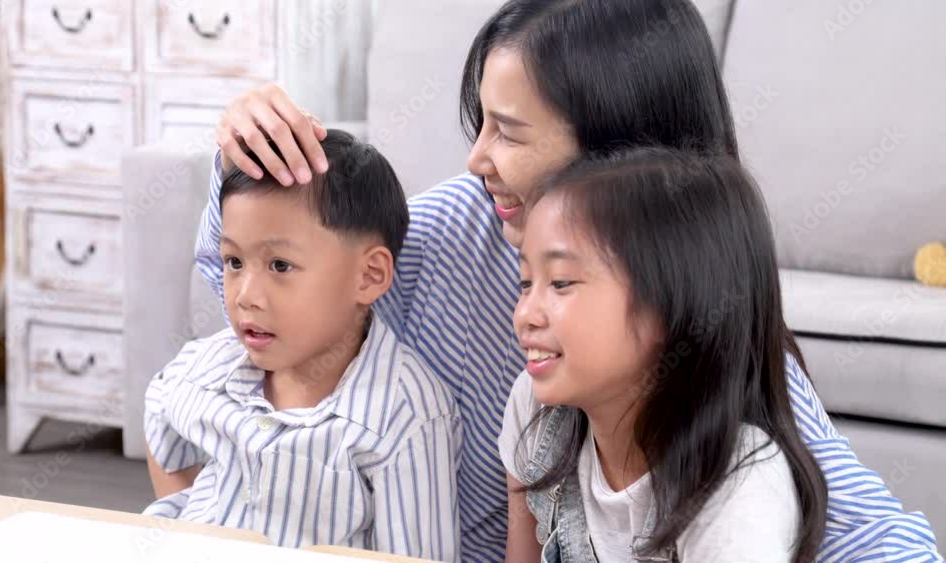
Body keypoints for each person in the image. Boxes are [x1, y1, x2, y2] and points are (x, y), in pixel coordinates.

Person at [199, 0, 941, 560]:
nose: (477, 159)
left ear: (625, 162)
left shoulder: (706, 343)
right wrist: (248, 160)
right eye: (479, 123)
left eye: (510, 131)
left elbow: (867, 529)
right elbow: (269, 290)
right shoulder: (464, 225)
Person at [144, 130, 461, 561]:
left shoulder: (404, 413)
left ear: (368, 276)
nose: (245, 295)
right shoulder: (212, 366)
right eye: (234, 262)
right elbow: (160, 403)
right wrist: (180, 518)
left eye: (280, 265)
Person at [501, 148, 827, 562]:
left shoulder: (738, 482)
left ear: (672, 308)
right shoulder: (536, 412)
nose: (524, 315)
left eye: (561, 282)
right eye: (526, 283)